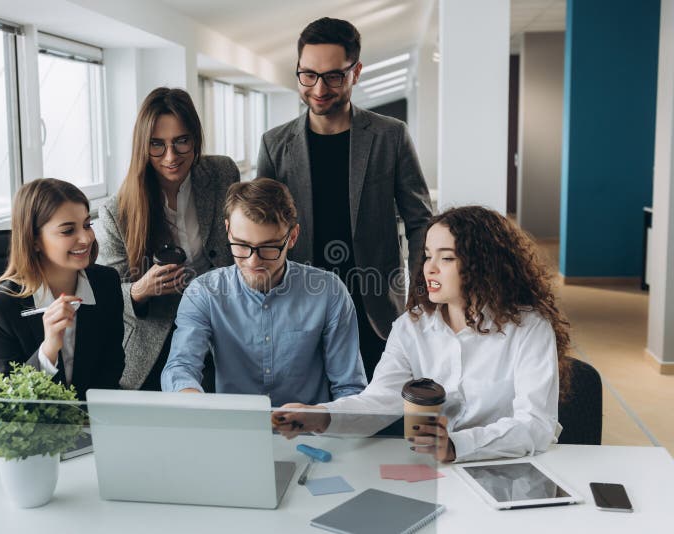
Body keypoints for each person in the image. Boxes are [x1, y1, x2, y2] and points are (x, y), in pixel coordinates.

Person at [274, 206, 573, 463]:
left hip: (512, 468)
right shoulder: (411, 327)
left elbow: (536, 424)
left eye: (446, 258)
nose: (429, 268)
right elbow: (379, 402)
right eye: (428, 256)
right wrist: (319, 415)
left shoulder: (529, 327)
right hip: (437, 473)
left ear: (484, 265)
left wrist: (457, 445)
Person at [257, 17, 433, 381]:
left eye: (334, 76)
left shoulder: (390, 136)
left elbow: (420, 221)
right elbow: (260, 229)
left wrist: (420, 291)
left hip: (374, 307)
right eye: (308, 75)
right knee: (308, 412)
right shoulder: (274, 144)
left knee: (377, 412)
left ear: (356, 72)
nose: (319, 88)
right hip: (298, 307)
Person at [160, 178, 367, 407]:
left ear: (293, 237)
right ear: (228, 230)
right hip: (234, 429)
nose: (253, 260)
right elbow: (180, 367)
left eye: (268, 247)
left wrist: (322, 417)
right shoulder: (203, 293)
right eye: (242, 245)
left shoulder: (330, 293)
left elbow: (350, 388)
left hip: (311, 433)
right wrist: (192, 399)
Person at [96, 87, 240, 390]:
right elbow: (108, 290)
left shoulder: (222, 173)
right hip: (153, 340)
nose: (171, 157)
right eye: (157, 145)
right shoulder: (116, 210)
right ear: (142, 147)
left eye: (181, 142)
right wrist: (139, 290)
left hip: (220, 325)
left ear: (195, 138)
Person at [0, 178, 125, 400]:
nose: (86, 238)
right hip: (19, 429)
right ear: (34, 240)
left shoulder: (105, 283)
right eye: (67, 231)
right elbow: (2, 399)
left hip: (87, 424)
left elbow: (111, 367)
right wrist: (49, 349)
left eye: (86, 225)